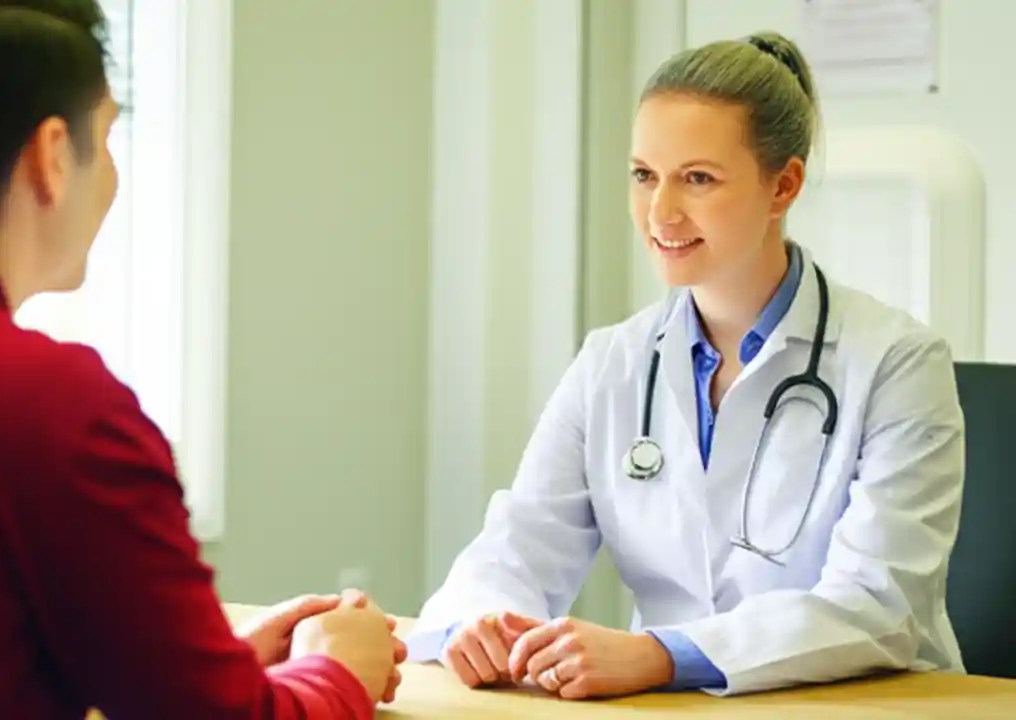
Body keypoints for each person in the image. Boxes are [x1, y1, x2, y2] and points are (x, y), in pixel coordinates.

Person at [0, 2, 402, 718]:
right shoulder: (47, 406)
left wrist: (213, 658)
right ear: (51, 156)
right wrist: (337, 667)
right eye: (108, 134)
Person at [407, 31, 966, 698]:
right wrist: (481, 624)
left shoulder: (897, 364)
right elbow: (518, 544)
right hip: (673, 706)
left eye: (697, 178)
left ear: (783, 185)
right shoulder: (610, 363)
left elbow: (877, 604)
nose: (660, 211)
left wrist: (661, 656)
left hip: (865, 705)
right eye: (645, 174)